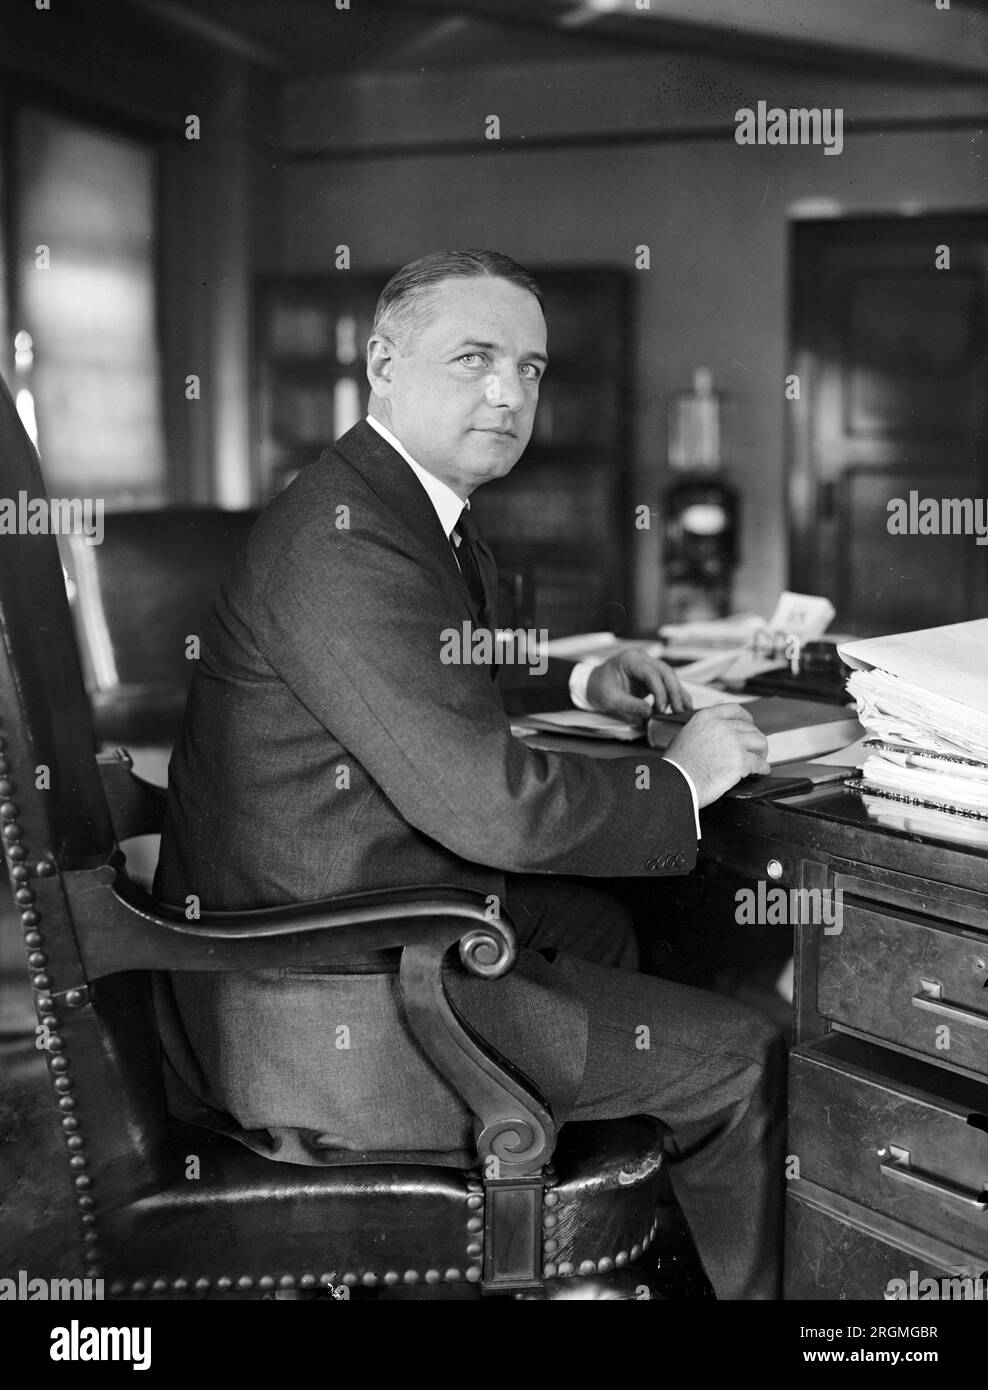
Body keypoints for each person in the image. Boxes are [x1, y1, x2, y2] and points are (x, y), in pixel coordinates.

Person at [152, 250, 783, 1299]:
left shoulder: (385, 501)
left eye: (531, 368)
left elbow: (421, 657)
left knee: (614, 925)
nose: (508, 392)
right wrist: (681, 778)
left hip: (339, 918)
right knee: (744, 1050)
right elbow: (497, 810)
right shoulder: (346, 544)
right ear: (383, 363)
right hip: (323, 1012)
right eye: (476, 357)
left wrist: (581, 673)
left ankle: (631, 1235)